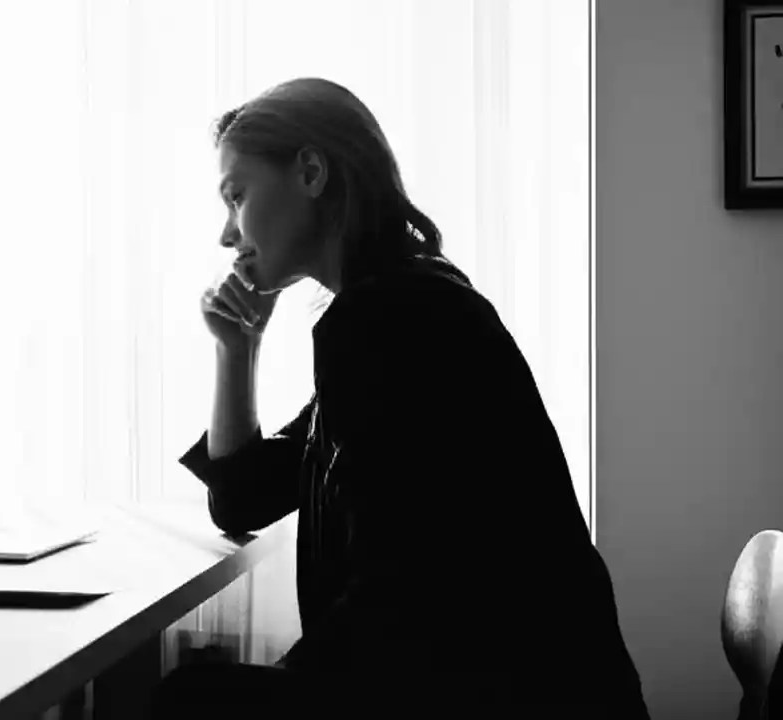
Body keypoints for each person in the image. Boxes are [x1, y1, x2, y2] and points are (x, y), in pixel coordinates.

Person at [150, 77, 650, 719]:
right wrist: (236, 350)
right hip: (489, 685)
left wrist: (291, 683)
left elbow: (399, 596)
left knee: (189, 702)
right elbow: (245, 495)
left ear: (310, 172)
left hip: (502, 695)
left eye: (237, 195)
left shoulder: (396, 317)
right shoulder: (391, 303)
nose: (227, 233)